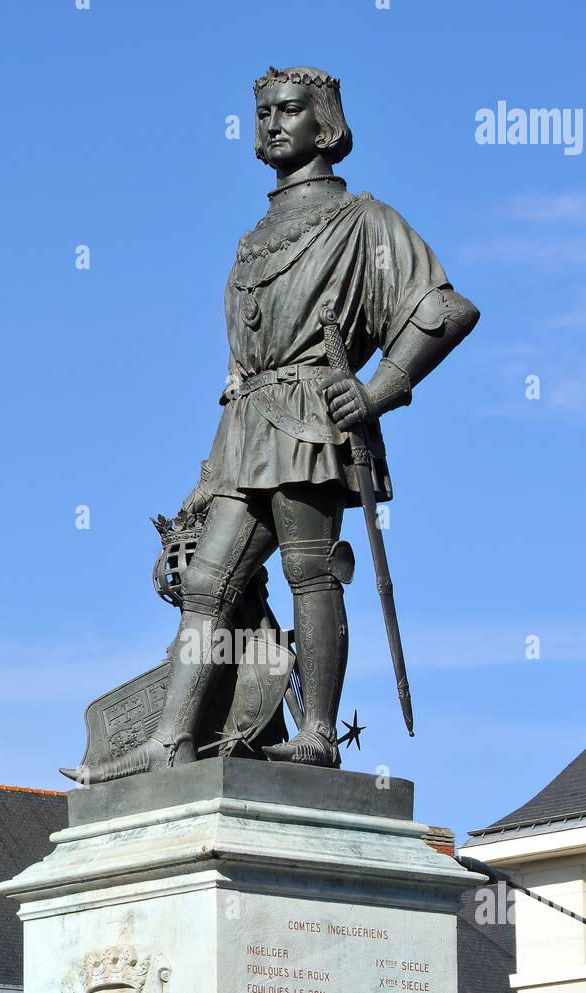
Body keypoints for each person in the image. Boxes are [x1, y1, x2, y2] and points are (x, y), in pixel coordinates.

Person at [81, 65, 479, 783]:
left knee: (308, 572)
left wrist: (379, 388)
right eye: (262, 111)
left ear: (323, 120)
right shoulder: (252, 238)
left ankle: (319, 734)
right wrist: (208, 476)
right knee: (207, 583)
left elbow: (444, 311)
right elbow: (236, 376)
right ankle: (171, 739)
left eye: (289, 109)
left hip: (311, 416)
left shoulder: (364, 220)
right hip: (246, 427)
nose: (271, 123)